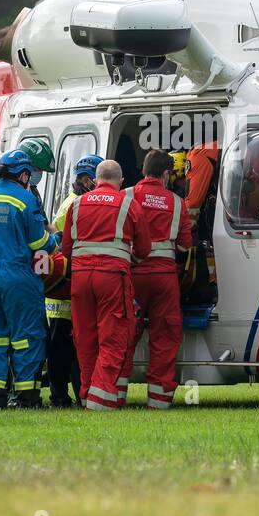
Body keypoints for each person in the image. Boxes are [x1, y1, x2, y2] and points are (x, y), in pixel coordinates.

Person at [0, 149, 60, 409]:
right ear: (22, 174)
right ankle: (26, 397)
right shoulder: (24, 198)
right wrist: (56, 240)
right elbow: (38, 241)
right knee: (27, 336)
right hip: (15, 274)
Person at [59, 159, 150, 411]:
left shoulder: (76, 204)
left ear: (96, 179)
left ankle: (87, 395)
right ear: (120, 181)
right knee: (113, 337)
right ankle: (100, 401)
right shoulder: (128, 204)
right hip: (112, 278)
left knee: (85, 338)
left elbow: (66, 248)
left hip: (79, 278)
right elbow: (143, 249)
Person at [129, 150, 193, 409]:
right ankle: (159, 400)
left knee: (123, 334)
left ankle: (115, 393)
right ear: (166, 174)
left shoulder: (126, 196)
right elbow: (185, 246)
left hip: (131, 274)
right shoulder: (177, 203)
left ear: (144, 169)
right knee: (165, 335)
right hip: (164, 276)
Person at [43, 154, 102, 407]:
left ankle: (72, 394)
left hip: (68, 289)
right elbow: (61, 244)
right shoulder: (74, 205)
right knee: (63, 350)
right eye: (96, 180)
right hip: (64, 294)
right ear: (87, 179)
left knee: (69, 348)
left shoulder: (75, 201)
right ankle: (60, 396)